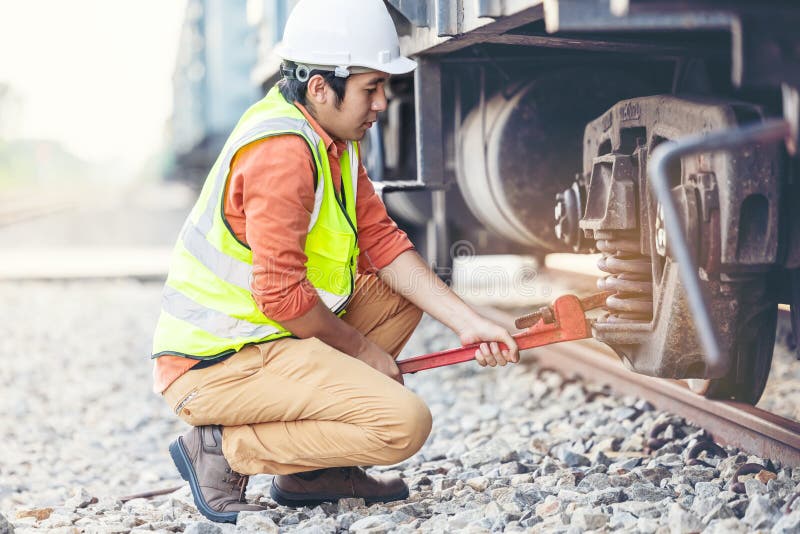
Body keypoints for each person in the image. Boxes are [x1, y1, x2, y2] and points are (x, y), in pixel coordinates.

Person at [151, 0, 520, 524]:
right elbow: (280, 296)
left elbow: (384, 243)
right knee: (402, 424)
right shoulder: (281, 153)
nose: (382, 102)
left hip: (267, 336)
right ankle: (221, 449)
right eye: (371, 87)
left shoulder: (334, 141)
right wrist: (363, 352)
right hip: (217, 365)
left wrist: (470, 322)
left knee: (399, 290)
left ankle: (311, 474)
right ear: (321, 87)